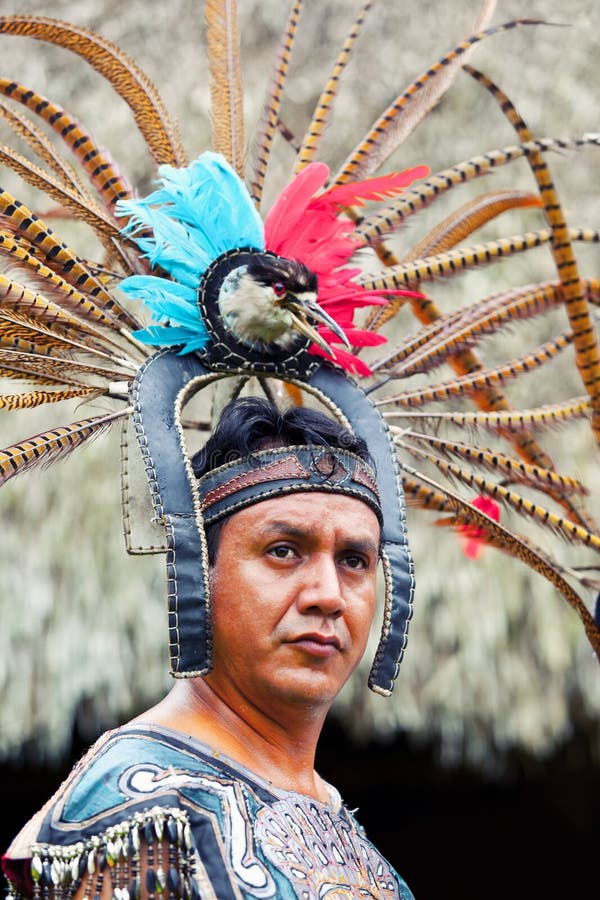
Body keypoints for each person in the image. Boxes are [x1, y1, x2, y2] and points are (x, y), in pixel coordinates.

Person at [2, 397, 415, 900]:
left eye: (354, 560)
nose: (328, 594)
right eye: (283, 551)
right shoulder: (141, 815)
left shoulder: (339, 821)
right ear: (199, 573)